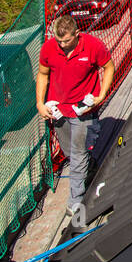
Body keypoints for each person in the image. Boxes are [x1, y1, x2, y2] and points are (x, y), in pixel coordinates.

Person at [35, 14, 115, 216]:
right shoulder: (49, 48)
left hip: (83, 111)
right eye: (59, 40)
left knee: (78, 155)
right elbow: (43, 75)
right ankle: (90, 167)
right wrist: (40, 104)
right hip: (59, 111)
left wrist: (101, 95)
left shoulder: (93, 46)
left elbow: (108, 66)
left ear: (77, 34)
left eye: (66, 40)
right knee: (70, 153)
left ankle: (75, 202)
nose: (61, 45)